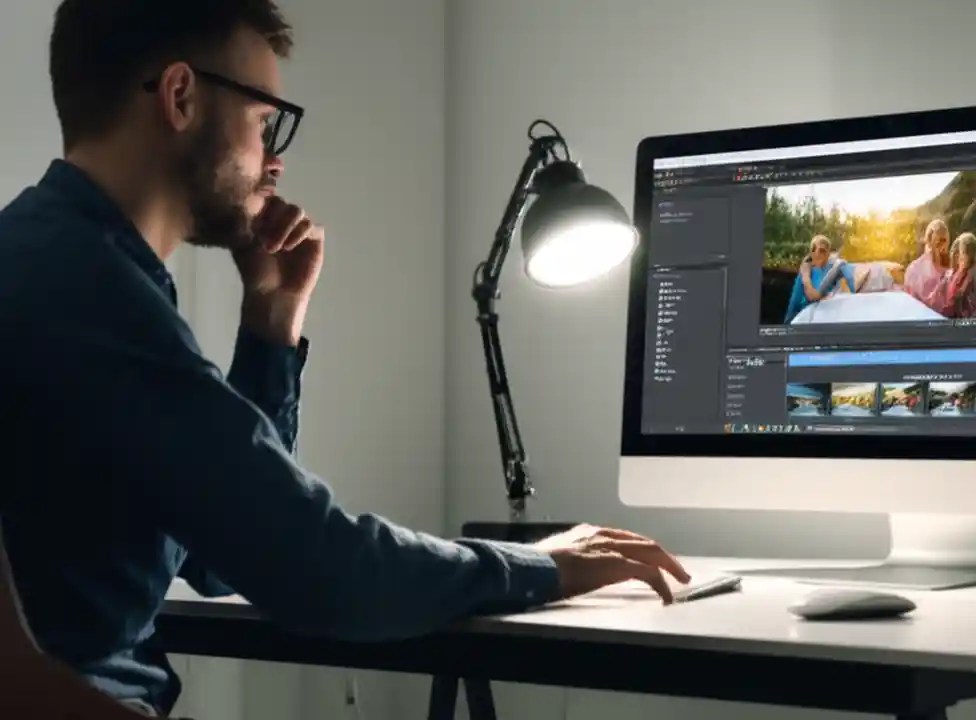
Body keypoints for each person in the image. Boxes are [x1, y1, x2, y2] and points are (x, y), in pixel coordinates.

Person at [0, 1, 688, 716]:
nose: (274, 159)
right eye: (265, 119)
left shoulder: (54, 260)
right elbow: (322, 570)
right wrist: (542, 565)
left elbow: (213, 556)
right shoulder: (92, 295)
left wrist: (271, 325)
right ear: (180, 97)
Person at [783, 235, 856, 323]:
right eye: (814, 250)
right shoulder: (805, 272)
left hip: (831, 315)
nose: (817, 253)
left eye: (822, 250)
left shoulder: (836, 270)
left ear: (828, 253)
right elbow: (794, 302)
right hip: (809, 317)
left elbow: (850, 283)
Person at [924, 232, 976, 318]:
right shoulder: (952, 273)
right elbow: (936, 294)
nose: (960, 257)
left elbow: (964, 300)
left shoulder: (973, 272)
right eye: (962, 253)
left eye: (965, 253)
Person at [903, 218, 950, 302]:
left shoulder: (950, 269)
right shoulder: (914, 270)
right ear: (929, 241)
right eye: (939, 241)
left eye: (945, 241)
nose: (942, 246)